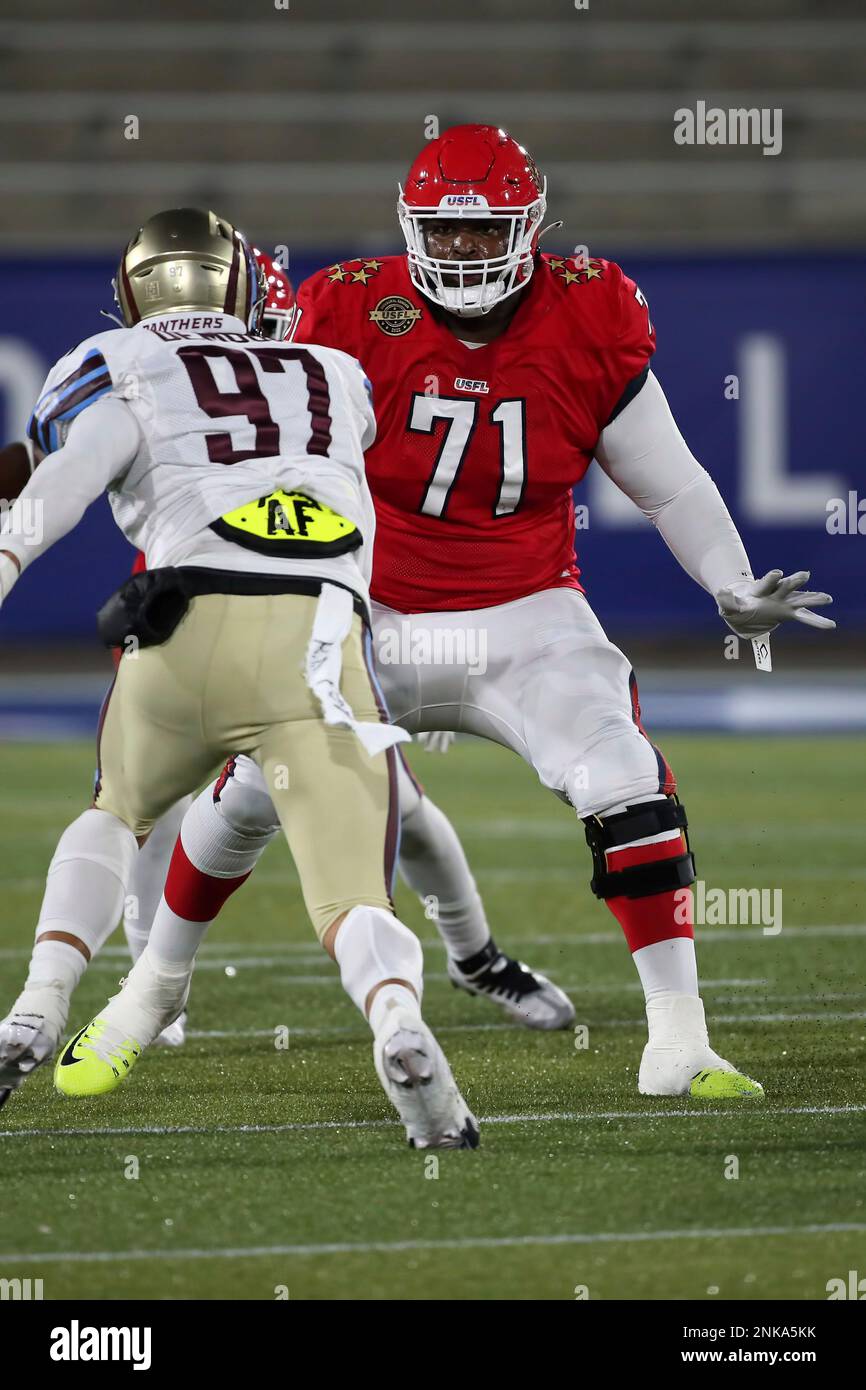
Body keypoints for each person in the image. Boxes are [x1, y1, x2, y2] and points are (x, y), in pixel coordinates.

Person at [161, 125, 835, 1099]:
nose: (464, 252)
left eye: (484, 233)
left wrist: (726, 585)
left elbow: (670, 486)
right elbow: (265, 454)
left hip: (527, 616)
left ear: (527, 228)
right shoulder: (349, 306)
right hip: (370, 612)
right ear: (409, 228)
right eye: (444, 231)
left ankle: (677, 1039)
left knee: (624, 772)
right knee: (250, 790)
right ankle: (155, 988)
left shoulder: (588, 311)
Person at [0, 206, 478, 1149]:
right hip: (318, 643)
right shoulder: (334, 373)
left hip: (183, 629)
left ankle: (38, 1002)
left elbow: (70, 469)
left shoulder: (116, 360)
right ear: (250, 288)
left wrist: (7, 561)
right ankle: (395, 1020)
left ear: (134, 294)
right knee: (353, 901)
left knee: (115, 814)